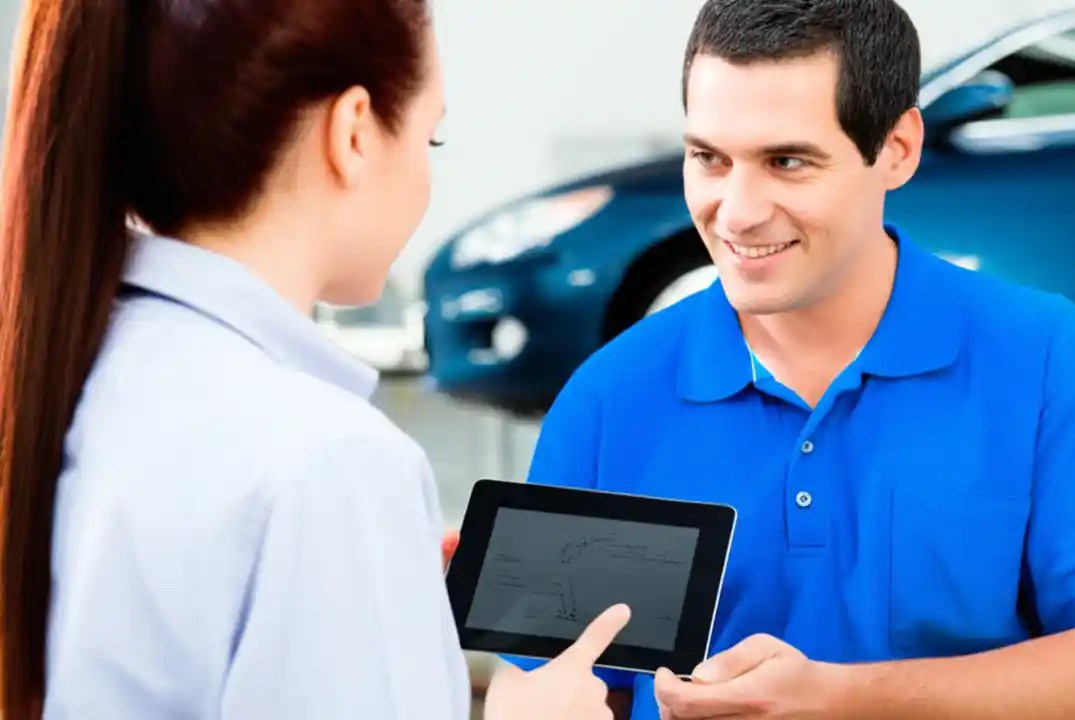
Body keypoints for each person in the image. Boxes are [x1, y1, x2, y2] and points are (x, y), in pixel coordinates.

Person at [498, 1, 1075, 718]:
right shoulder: (611, 399)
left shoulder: (1040, 357)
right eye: (710, 159)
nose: (737, 211)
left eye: (787, 162)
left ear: (897, 148)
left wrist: (841, 699)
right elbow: (535, 684)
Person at [0, 1, 629, 718]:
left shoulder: (80, 370)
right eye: (432, 136)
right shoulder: (329, 459)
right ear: (353, 132)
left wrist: (364, 589)